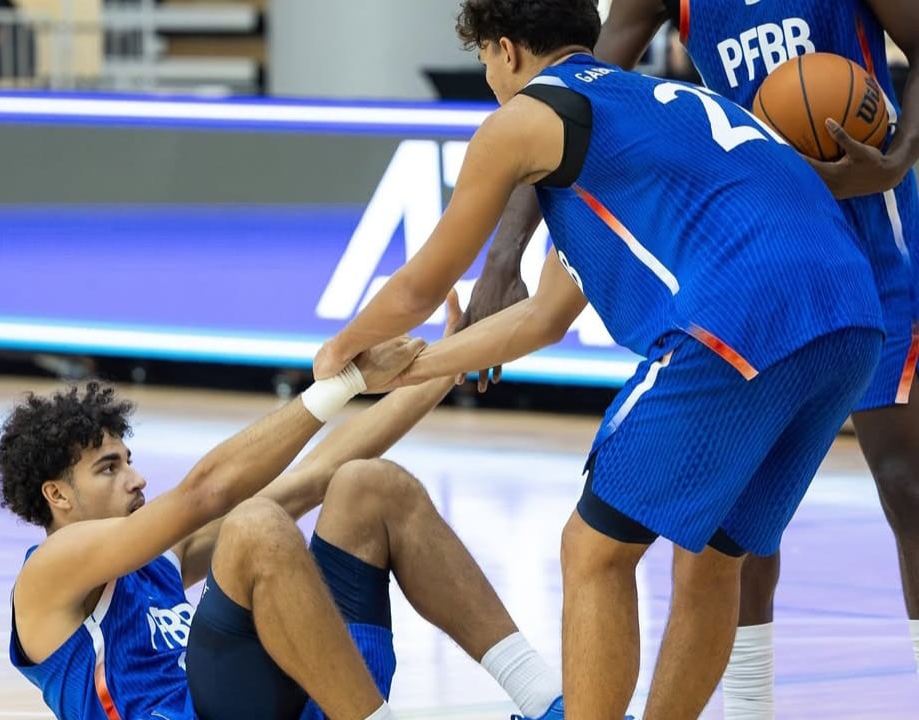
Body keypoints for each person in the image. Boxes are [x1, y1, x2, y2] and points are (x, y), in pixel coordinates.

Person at [312, 1, 885, 718]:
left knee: (593, 551)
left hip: (739, 312)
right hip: (851, 316)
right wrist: (417, 367)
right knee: (712, 561)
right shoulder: (646, 110)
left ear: (507, 50)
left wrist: (340, 350)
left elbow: (420, 285)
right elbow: (544, 317)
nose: (489, 76)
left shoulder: (525, 117)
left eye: (485, 59)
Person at [460, 2, 919, 716]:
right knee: (730, 526)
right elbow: (568, 93)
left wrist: (895, 161)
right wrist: (503, 256)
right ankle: (748, 709)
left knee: (904, 477)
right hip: (754, 236)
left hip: (873, 244)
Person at [0, 298, 566, 720]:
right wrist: (344, 383)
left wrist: (446, 366)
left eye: (128, 459)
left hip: (289, 700)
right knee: (253, 524)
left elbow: (312, 478)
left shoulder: (156, 559)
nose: (137, 477)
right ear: (57, 495)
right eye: (109, 468)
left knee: (368, 485)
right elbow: (205, 490)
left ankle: (545, 699)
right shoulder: (48, 575)